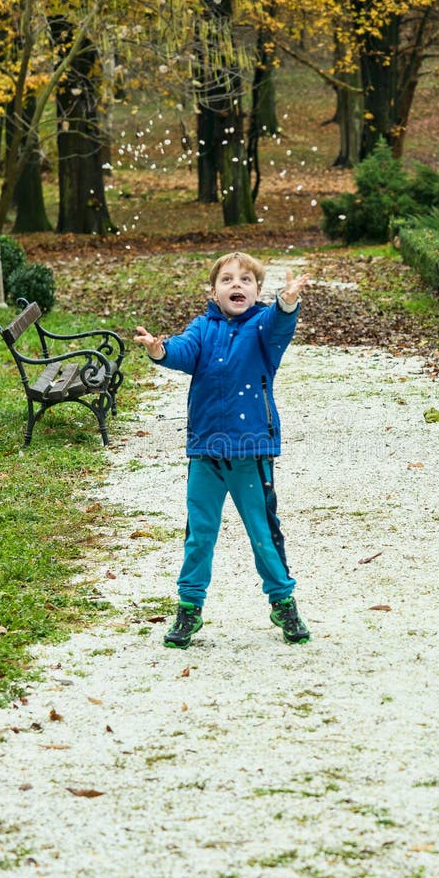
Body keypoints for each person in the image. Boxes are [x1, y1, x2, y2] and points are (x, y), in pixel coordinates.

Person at [134, 251, 310, 649]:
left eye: (246, 280)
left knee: (263, 534)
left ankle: (283, 601)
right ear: (212, 291)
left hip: (251, 453)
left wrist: (287, 303)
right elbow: (181, 351)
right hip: (205, 451)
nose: (237, 285)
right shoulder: (203, 328)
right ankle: (189, 607)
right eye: (227, 279)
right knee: (199, 534)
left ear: (257, 291)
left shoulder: (263, 328)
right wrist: (159, 350)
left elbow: (282, 325)